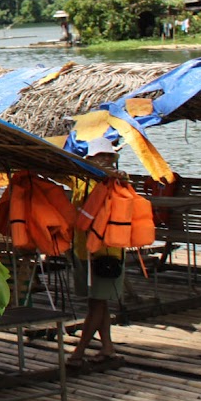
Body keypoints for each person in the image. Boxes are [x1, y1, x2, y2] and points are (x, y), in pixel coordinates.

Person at [69, 144, 124, 364]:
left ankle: (80, 351)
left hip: (104, 253)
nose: (105, 160)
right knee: (99, 303)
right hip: (85, 251)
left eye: (108, 156)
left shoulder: (111, 184)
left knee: (97, 303)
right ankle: (107, 347)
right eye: (100, 156)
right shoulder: (82, 180)